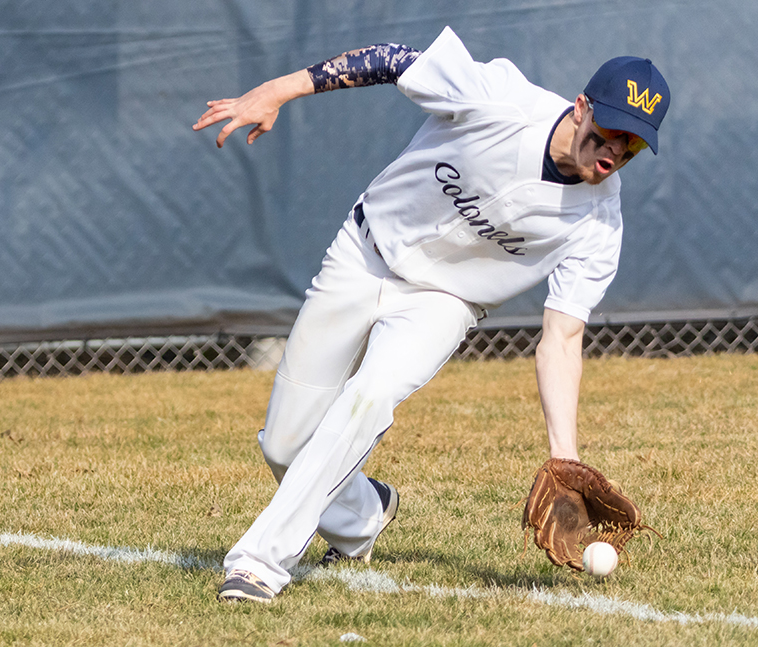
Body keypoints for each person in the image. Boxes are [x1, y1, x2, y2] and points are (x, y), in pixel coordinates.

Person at [192, 25, 669, 603]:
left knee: (370, 396)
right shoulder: (499, 98)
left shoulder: (599, 224)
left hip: (445, 303)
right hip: (363, 254)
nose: (617, 150)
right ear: (582, 107)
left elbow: (562, 337)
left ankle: (259, 564)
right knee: (284, 446)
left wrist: (564, 458)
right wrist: (280, 90)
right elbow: (391, 60)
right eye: (614, 129)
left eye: (635, 144)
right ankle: (364, 512)